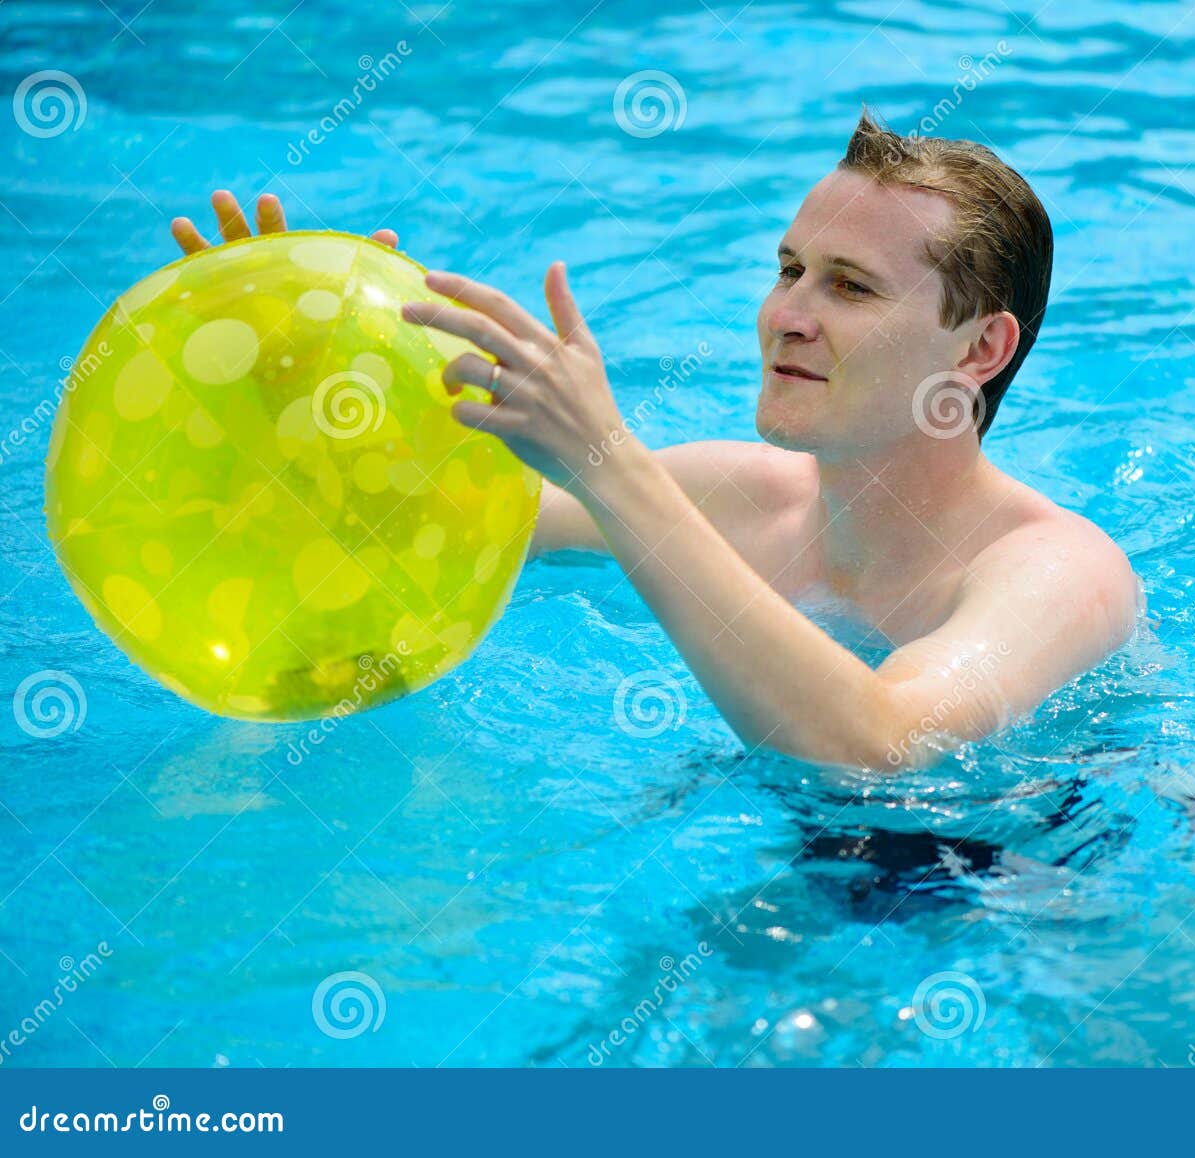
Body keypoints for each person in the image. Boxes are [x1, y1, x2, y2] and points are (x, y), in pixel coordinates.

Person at [170, 112, 1142, 771]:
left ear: (980, 349)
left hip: (1019, 883)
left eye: (850, 286)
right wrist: (305, 374)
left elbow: (881, 754)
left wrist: (605, 460)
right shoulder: (736, 495)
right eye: (789, 269)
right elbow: (404, 525)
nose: (785, 316)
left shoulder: (1061, 573)